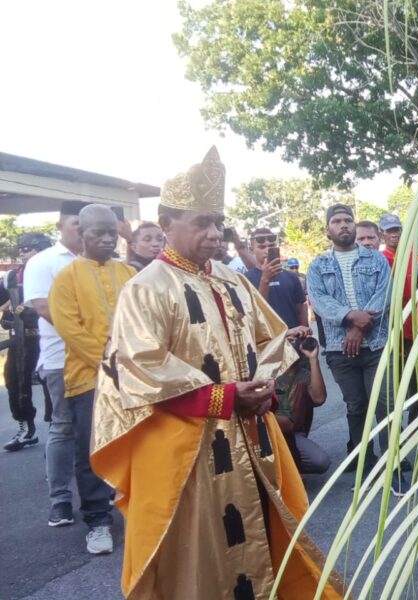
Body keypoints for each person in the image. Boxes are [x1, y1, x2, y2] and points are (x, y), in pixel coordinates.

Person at [89, 148, 343, 599]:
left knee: (266, 536)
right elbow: (140, 367)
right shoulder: (145, 289)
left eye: (219, 223)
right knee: (199, 553)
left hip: (252, 434)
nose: (213, 234)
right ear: (167, 224)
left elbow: (270, 339)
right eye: (201, 222)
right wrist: (223, 398)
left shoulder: (232, 278)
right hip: (187, 448)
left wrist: (265, 389)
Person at [49, 204, 134, 554]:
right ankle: (98, 521)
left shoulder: (129, 273)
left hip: (134, 377)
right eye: (98, 232)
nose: (107, 239)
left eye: (112, 232)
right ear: (80, 234)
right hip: (89, 380)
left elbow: (144, 320)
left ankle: (137, 510)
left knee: (135, 446)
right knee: (92, 451)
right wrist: (110, 363)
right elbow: (70, 329)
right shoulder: (67, 277)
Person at [307, 204, 408, 493]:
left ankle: (393, 467)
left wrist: (359, 328)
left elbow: (385, 294)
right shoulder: (318, 266)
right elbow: (320, 301)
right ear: (328, 230)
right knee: (356, 408)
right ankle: (366, 467)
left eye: (348, 220)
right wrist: (351, 317)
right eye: (337, 221)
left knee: (386, 406)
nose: (343, 225)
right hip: (340, 351)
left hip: (376, 346)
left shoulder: (376, 259)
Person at [23, 200, 87, 528]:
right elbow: (43, 307)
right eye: (77, 224)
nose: (84, 230)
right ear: (60, 225)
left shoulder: (103, 261)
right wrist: (91, 340)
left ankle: (100, 494)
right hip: (61, 359)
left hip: (104, 359)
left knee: (100, 426)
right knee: (64, 426)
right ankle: (60, 499)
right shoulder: (44, 261)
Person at [0, 232, 51, 451]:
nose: (23, 254)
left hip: (50, 338)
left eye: (28, 249)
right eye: (21, 250)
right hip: (20, 341)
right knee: (14, 382)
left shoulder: (55, 272)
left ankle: (58, 431)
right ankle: (26, 429)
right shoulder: (12, 277)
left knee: (52, 385)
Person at [276, 326, 331, 475]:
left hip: (293, 435)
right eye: (291, 342)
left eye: (298, 341)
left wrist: (313, 359)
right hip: (270, 434)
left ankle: (291, 469)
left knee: (320, 461)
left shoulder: (303, 375)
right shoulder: (268, 371)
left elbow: (319, 398)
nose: (295, 344)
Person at [245, 227, 309, 330]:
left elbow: (301, 309)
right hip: (267, 338)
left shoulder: (291, 277)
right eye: (262, 247)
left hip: (295, 336)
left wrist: (306, 333)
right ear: (251, 249)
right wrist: (265, 279)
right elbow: (254, 313)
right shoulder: (245, 279)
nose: (267, 250)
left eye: (271, 246)